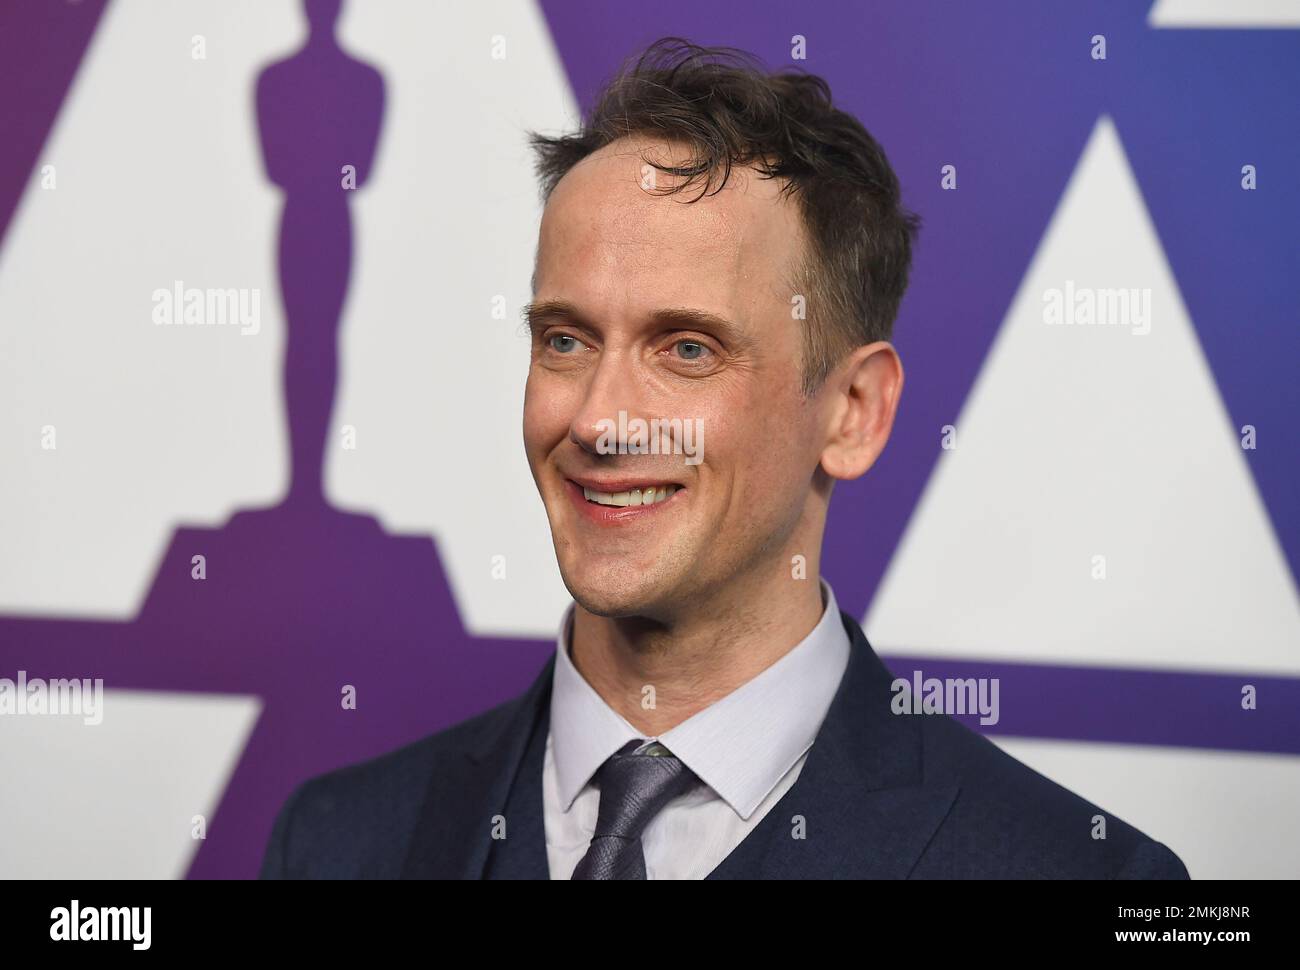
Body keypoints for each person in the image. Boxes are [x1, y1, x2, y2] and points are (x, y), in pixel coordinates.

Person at [259, 37, 1189, 880]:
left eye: (687, 349)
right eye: (567, 340)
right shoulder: (339, 843)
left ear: (854, 412)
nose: (600, 419)